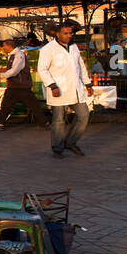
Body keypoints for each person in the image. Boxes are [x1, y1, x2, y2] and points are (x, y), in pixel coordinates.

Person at [37, 20, 94, 158]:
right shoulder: (48, 49)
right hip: (59, 89)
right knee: (59, 120)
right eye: (66, 33)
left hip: (75, 88)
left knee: (83, 115)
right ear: (58, 34)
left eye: (70, 33)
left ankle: (70, 141)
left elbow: (80, 66)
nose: (69, 35)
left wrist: (87, 83)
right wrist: (52, 85)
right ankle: (57, 148)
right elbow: (42, 69)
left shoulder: (73, 47)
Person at [0, 38, 47, 128]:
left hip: (22, 86)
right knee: (6, 105)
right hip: (14, 86)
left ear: (9, 46)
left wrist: (1, 76)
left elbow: (15, 70)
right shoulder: (12, 55)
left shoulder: (19, 55)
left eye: (4, 46)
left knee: (33, 105)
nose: (3, 48)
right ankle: (0, 123)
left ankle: (44, 123)